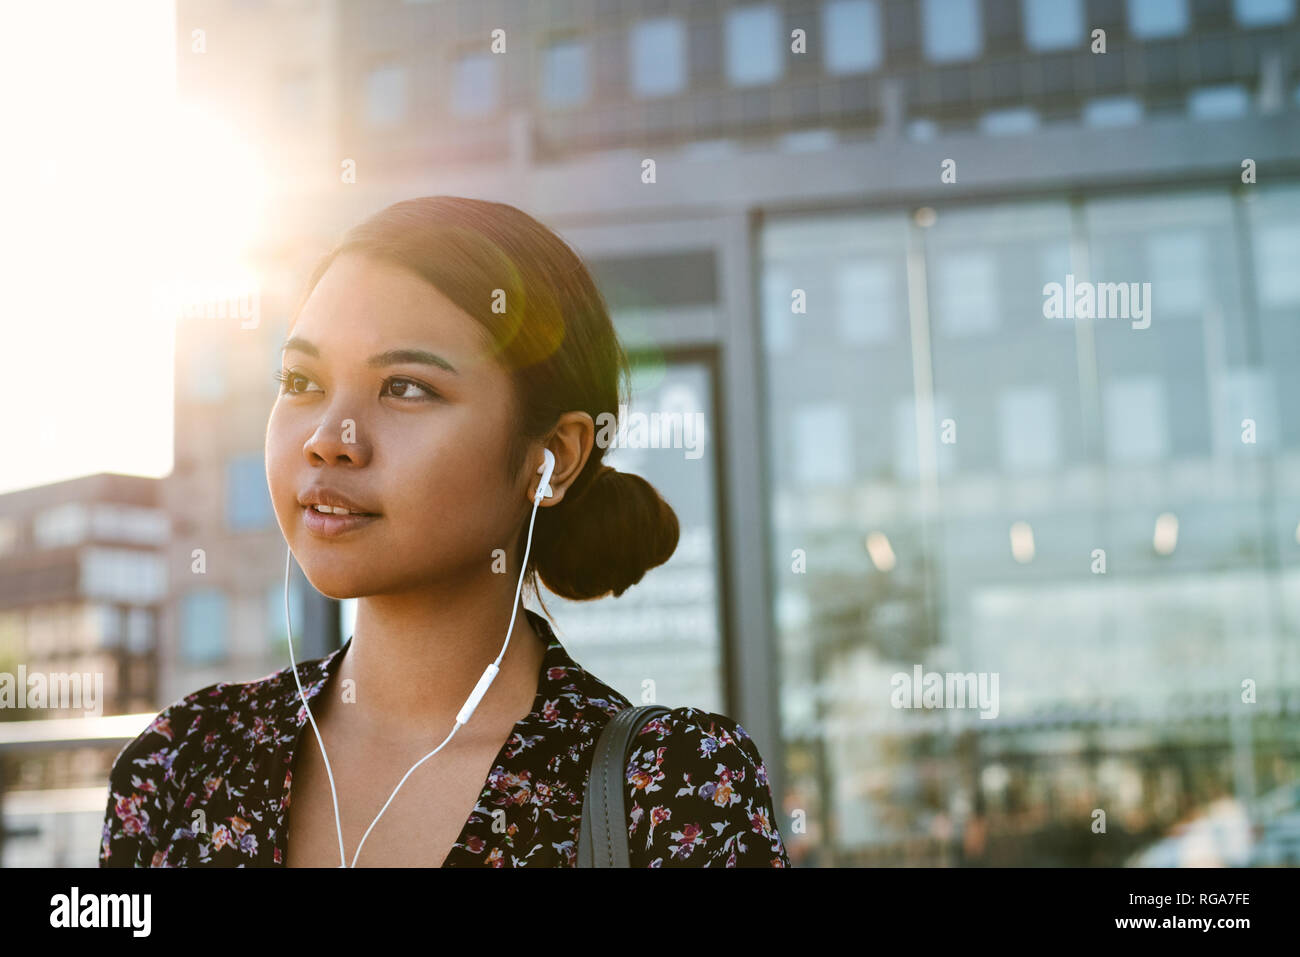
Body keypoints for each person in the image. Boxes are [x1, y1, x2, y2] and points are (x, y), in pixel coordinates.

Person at [99, 196, 791, 867]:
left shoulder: (672, 789)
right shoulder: (183, 761)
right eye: (302, 378)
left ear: (554, 457)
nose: (326, 439)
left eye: (405, 387)